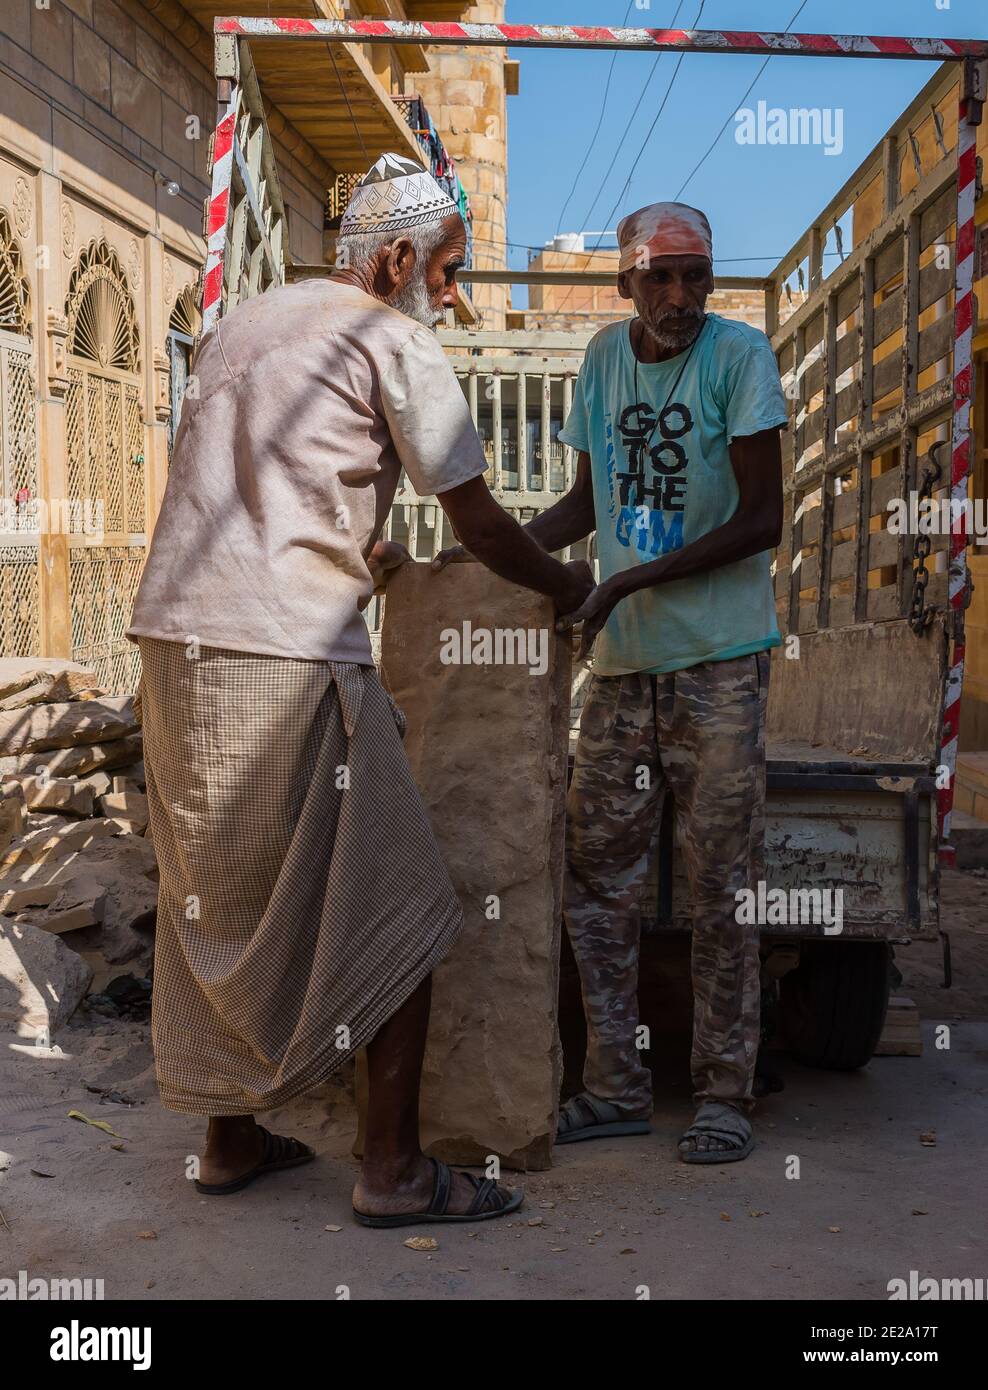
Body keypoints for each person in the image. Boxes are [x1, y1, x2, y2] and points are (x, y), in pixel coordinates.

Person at [127, 152, 593, 1226]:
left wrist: (366, 552)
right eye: (448, 270)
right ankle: (391, 1171)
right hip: (287, 652)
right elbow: (474, 516)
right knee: (407, 906)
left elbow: (266, 482)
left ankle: (229, 1137)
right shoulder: (390, 338)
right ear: (393, 260)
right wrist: (562, 581)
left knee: (217, 902)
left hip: (172, 638)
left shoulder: (247, 323)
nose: (455, 293)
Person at [521, 201, 786, 1161]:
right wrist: (485, 553)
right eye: (661, 276)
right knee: (598, 888)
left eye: (696, 276)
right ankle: (615, 1085)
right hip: (624, 669)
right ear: (628, 279)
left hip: (719, 663)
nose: (680, 295)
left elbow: (765, 519)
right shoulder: (602, 360)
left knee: (722, 887)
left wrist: (630, 580)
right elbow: (585, 506)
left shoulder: (737, 359)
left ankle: (724, 1092)